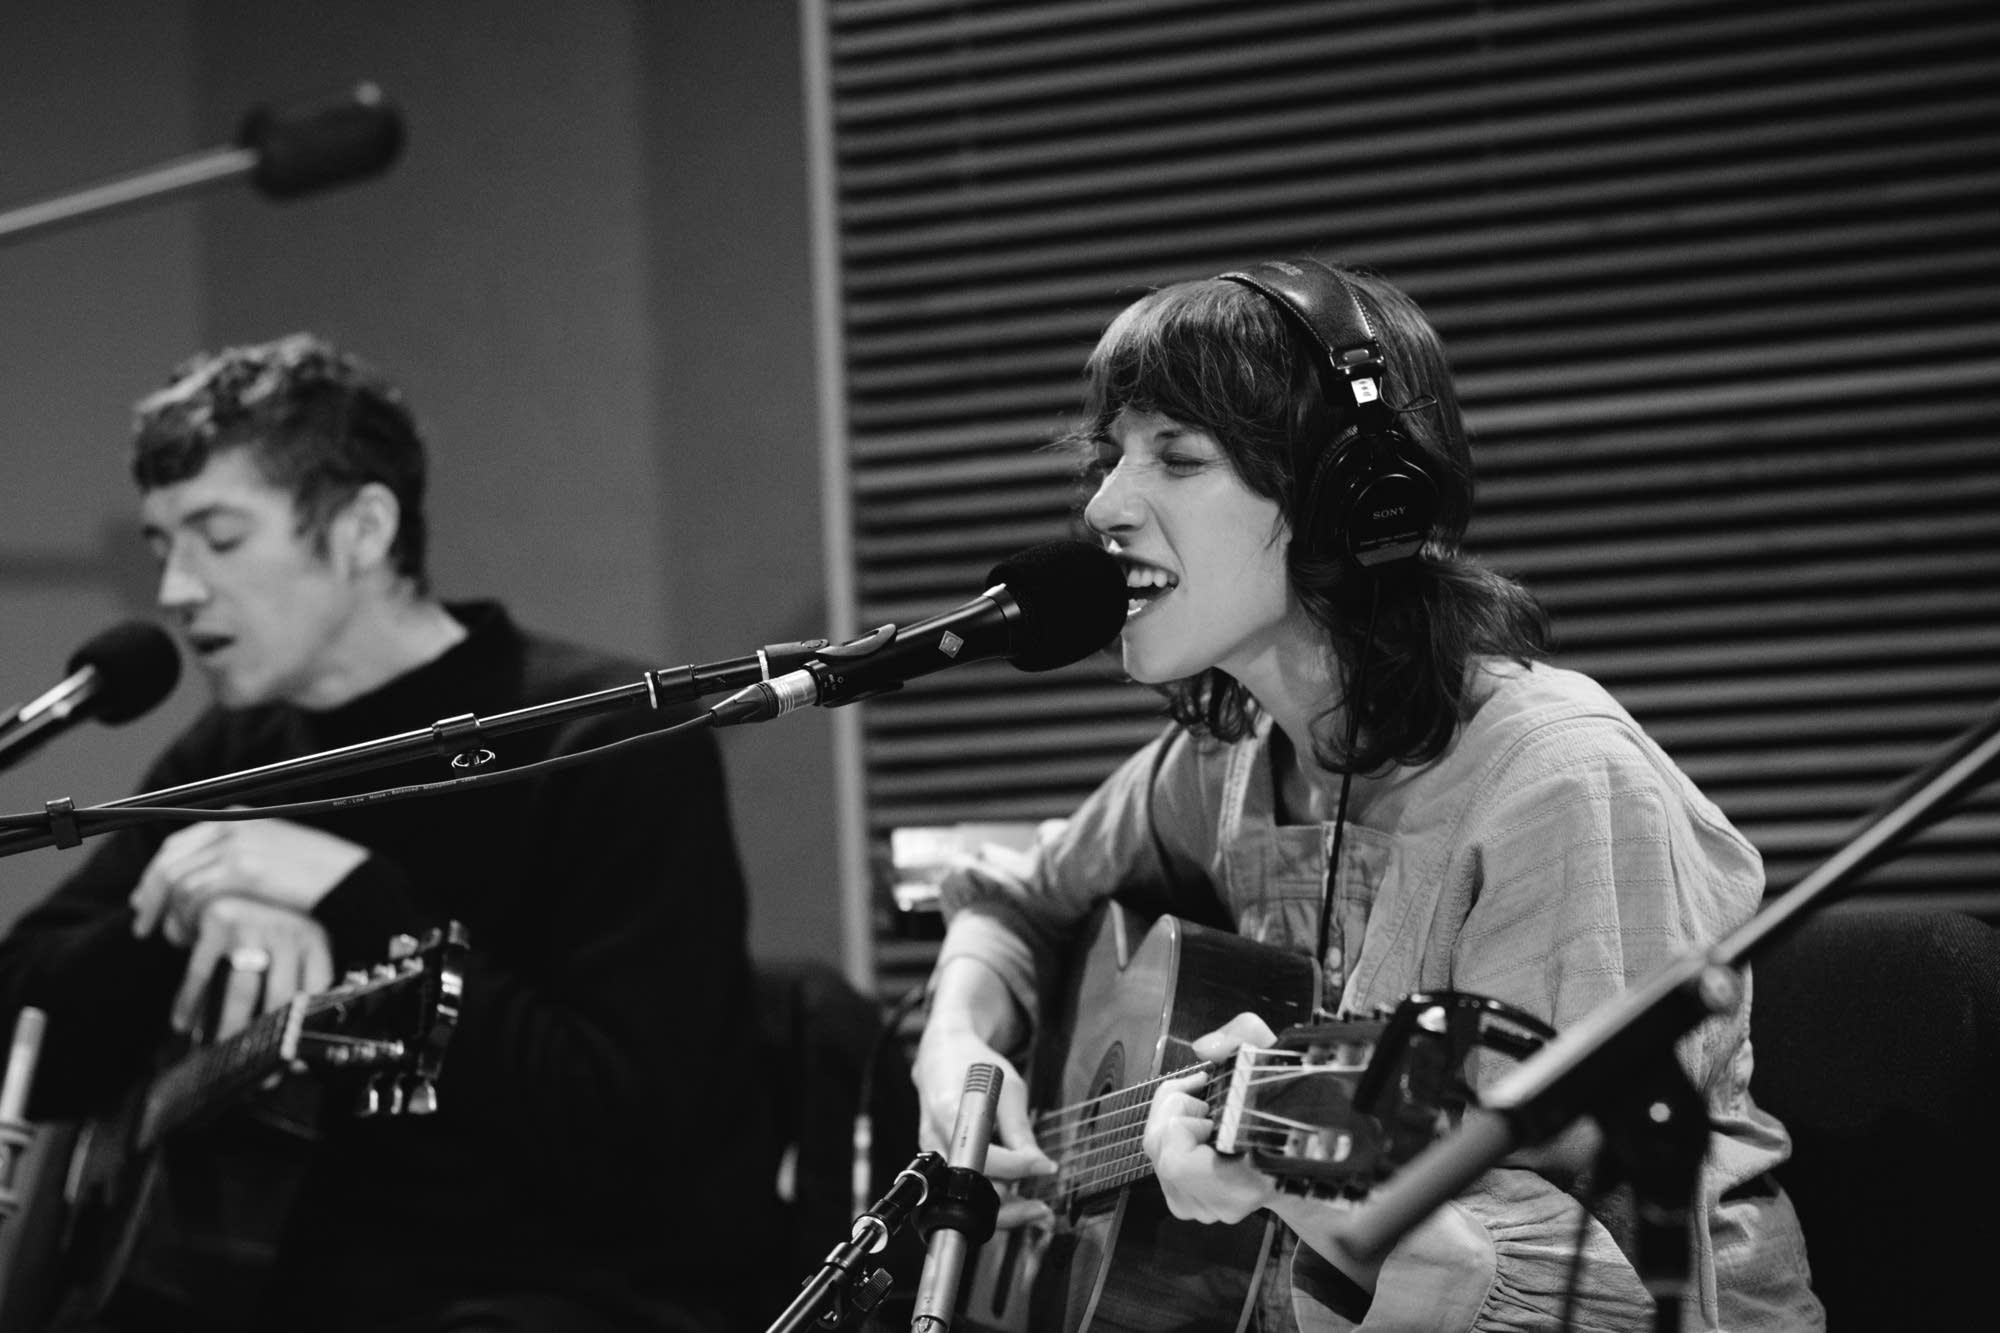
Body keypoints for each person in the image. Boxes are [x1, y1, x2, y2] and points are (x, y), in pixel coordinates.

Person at [911, 260, 1824, 1331]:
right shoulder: (1231, 761)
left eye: (1176, 457)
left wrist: (1277, 1154)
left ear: (1350, 502)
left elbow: (1583, 1275)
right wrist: (958, 1048)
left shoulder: (1552, 784)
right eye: (1110, 458)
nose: (1103, 505)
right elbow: (1014, 897)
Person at [0, 334, 767, 1332]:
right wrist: (193, 911)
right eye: (161, 546)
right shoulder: (230, 755)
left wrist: (349, 895)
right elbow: (29, 1027)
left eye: (218, 539)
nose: (176, 591)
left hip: (555, 1297)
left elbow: (629, 1126)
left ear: (362, 529)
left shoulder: (602, 734)